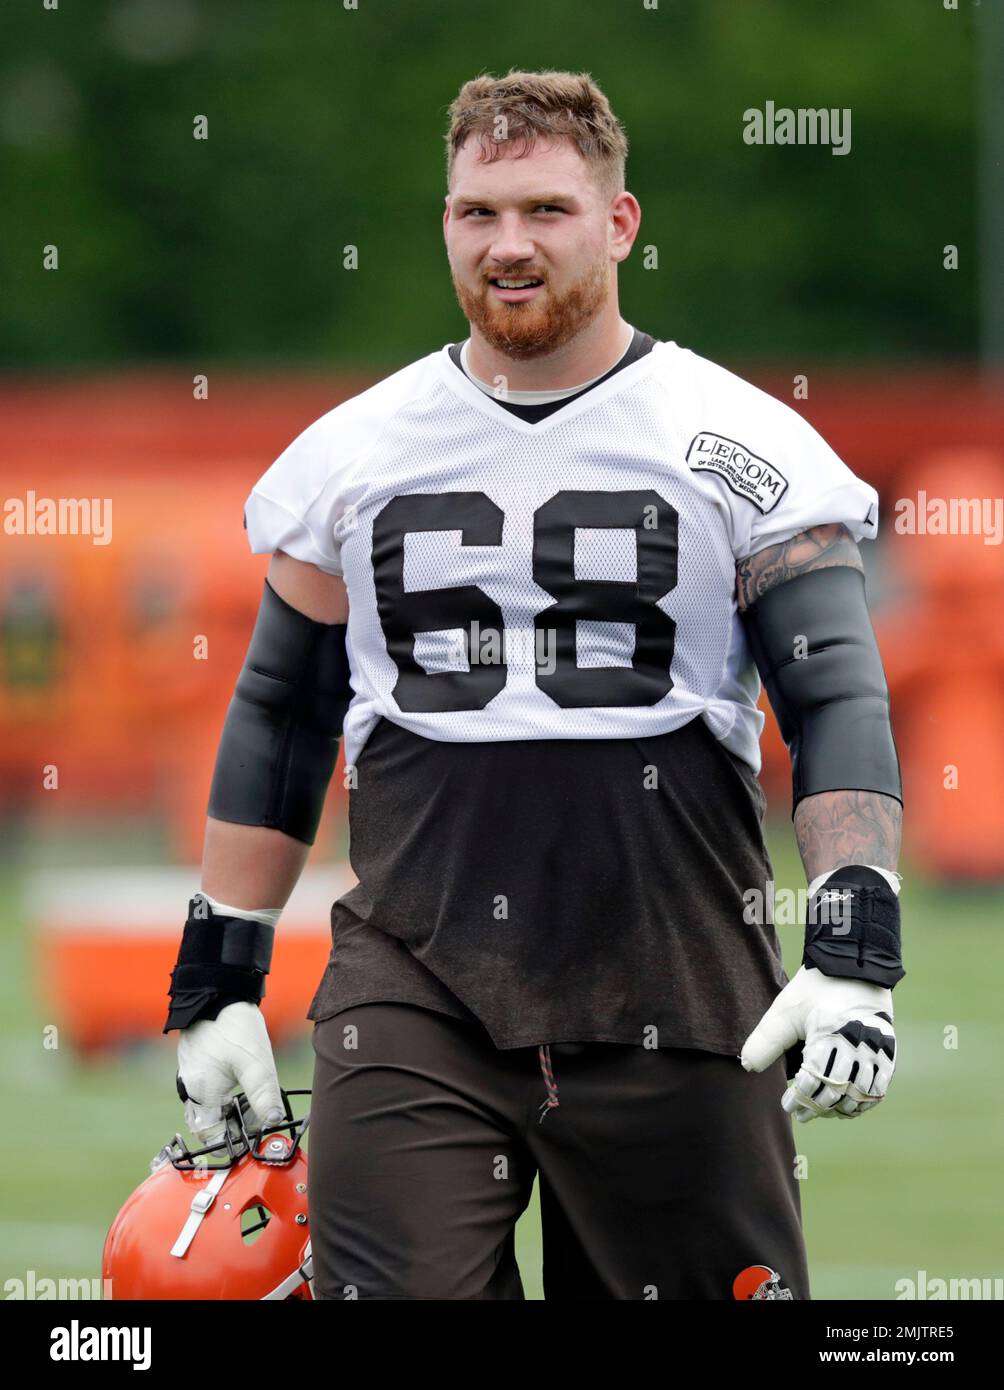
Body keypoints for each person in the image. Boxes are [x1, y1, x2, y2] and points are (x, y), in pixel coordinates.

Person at [165, 70, 903, 1301]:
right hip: (413, 977)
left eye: (546, 211)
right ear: (445, 222)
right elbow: (281, 717)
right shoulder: (351, 453)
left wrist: (853, 941)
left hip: (675, 976)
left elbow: (832, 694)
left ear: (617, 224)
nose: (508, 246)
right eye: (476, 213)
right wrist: (218, 976)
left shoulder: (740, 441)